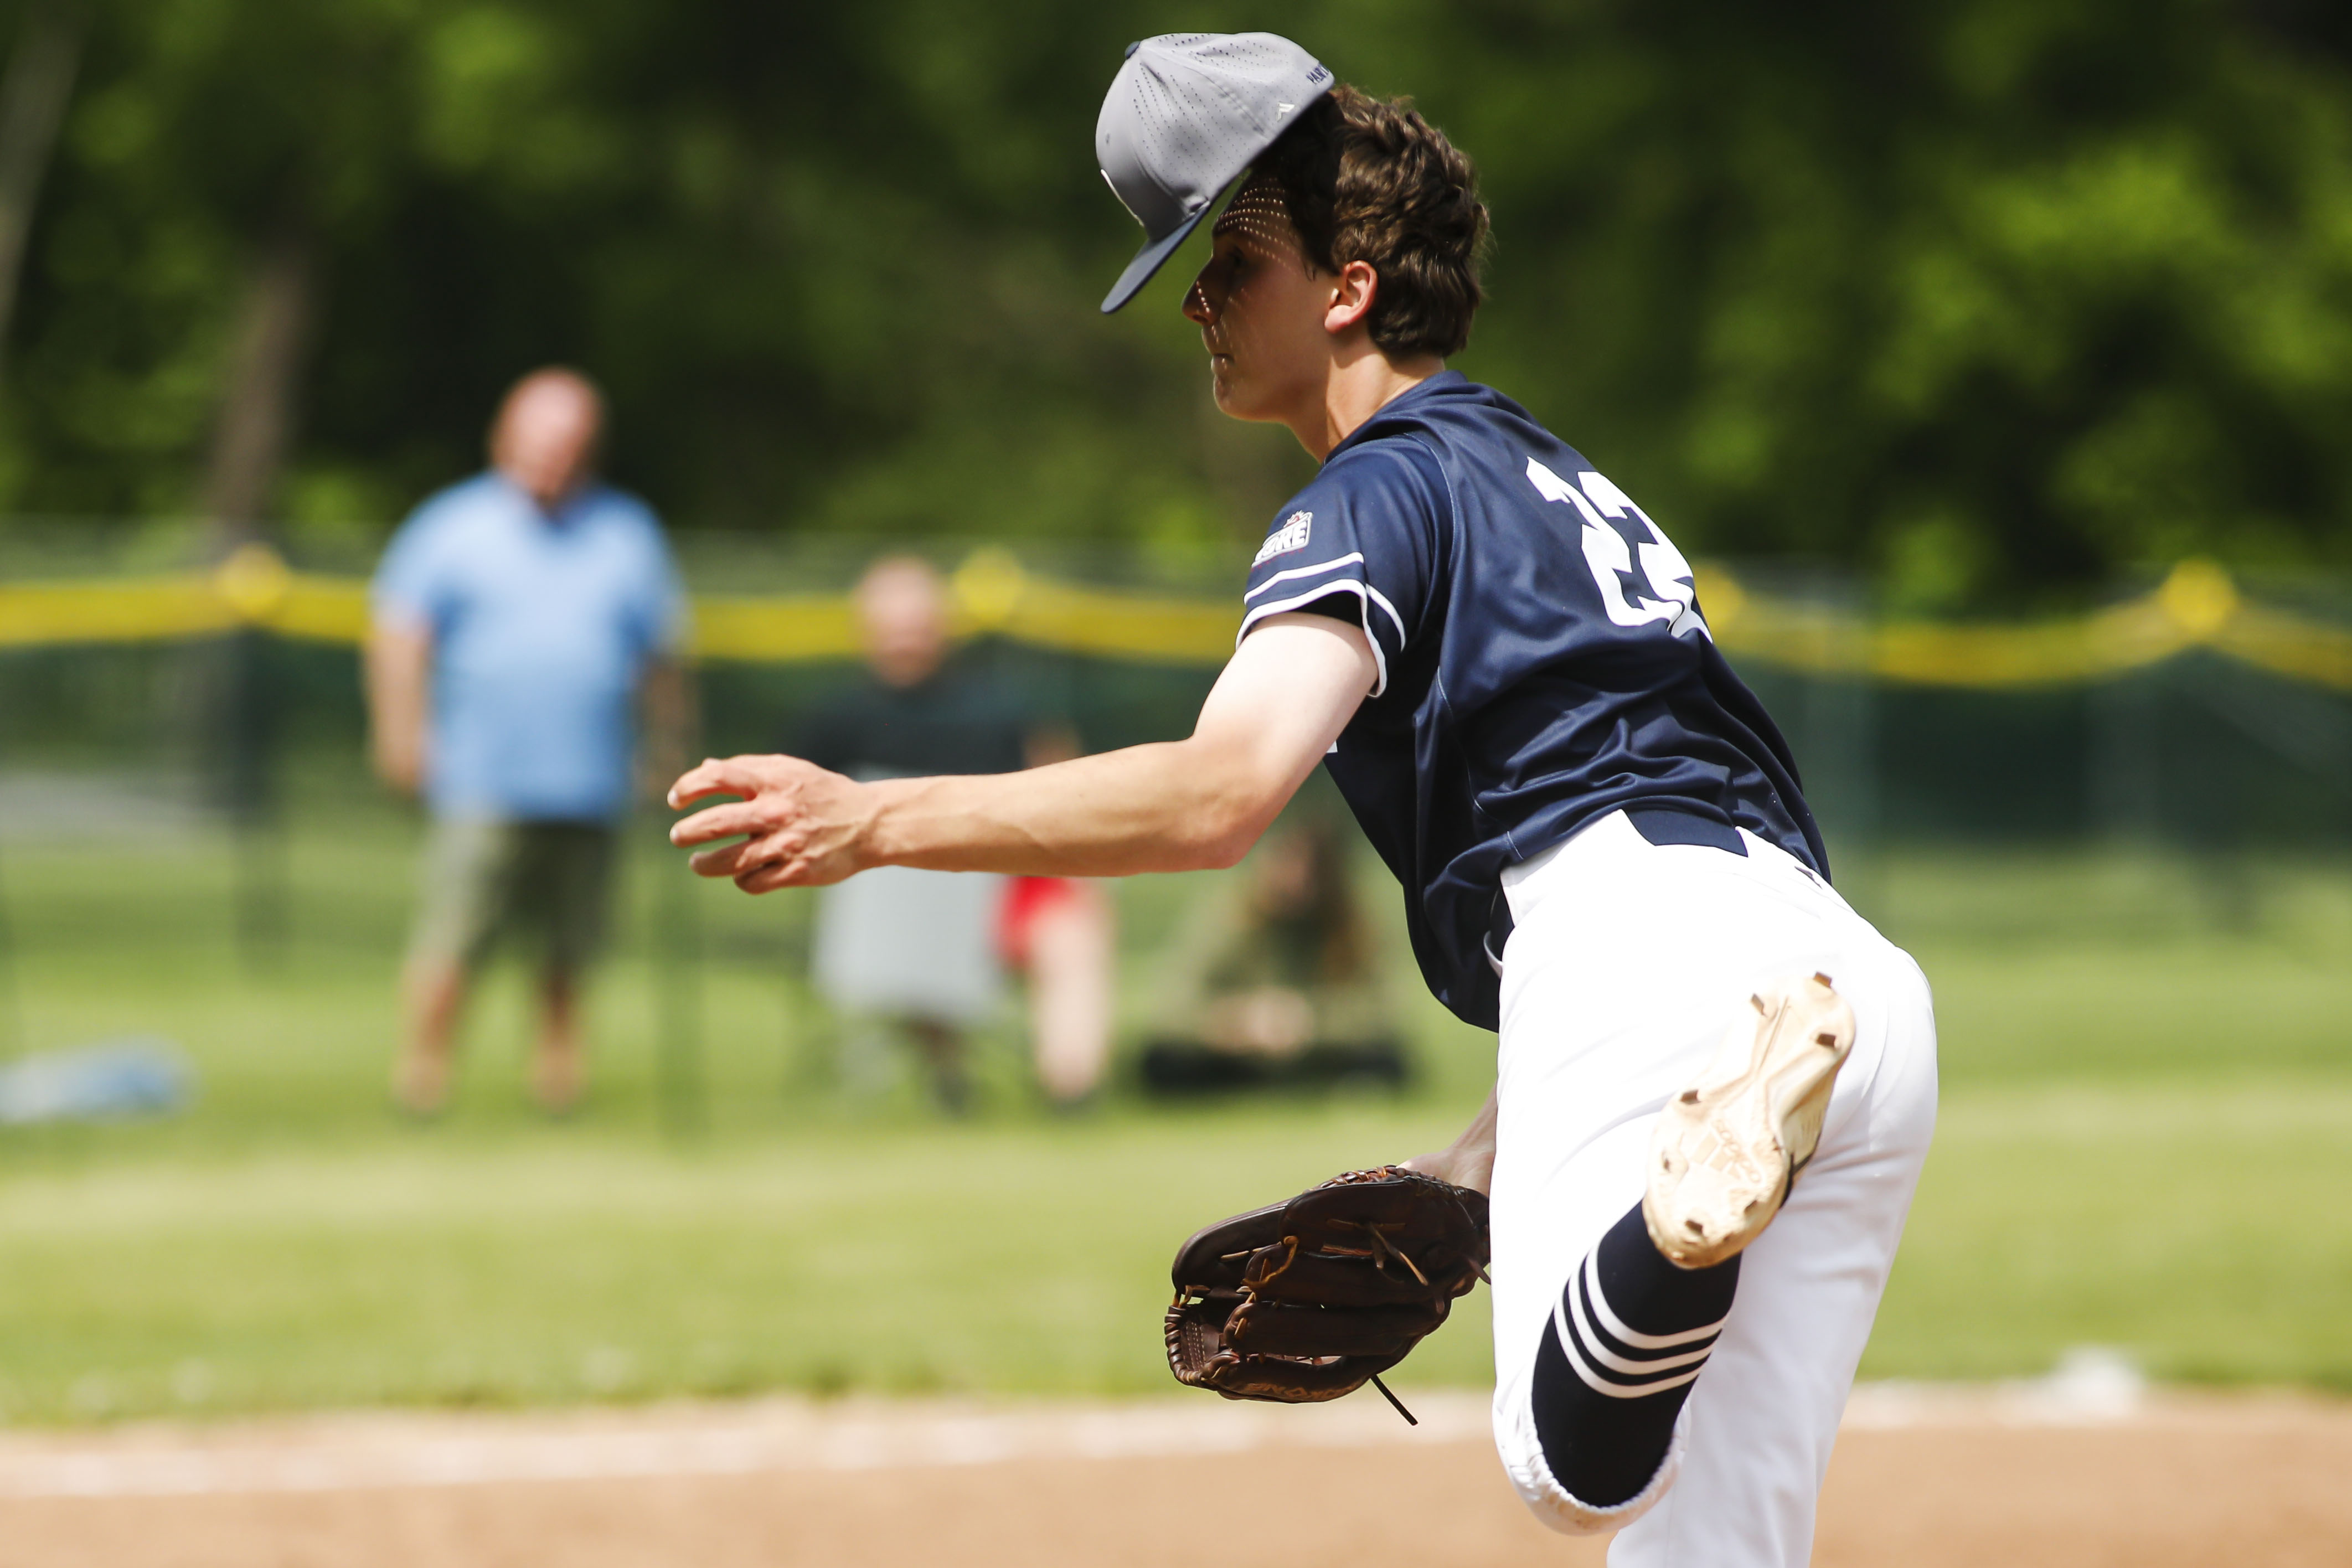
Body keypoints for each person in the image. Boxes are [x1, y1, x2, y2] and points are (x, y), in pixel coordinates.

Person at [668, 35, 1934, 1568]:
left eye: (1231, 264)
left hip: (1640, 955)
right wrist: (1477, 1164)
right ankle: (1673, 1224)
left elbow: (1219, 794)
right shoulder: (1551, 471)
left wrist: (875, 822)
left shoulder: (1375, 484)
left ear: (1346, 287)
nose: (1198, 306)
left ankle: (1668, 1235)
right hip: (1840, 990)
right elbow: (1681, 875)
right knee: (1718, 1546)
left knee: (1570, 1471)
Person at [368, 368, 688, 1116]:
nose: (552, 458)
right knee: (455, 936)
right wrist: (402, 734)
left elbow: (661, 654)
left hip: (591, 778)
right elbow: (398, 638)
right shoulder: (450, 526)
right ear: (504, 439)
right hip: (481, 777)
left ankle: (558, 1082)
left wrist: (668, 748)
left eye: (568, 445)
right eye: (538, 442)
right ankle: (421, 1079)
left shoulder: (626, 531)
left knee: (571, 950)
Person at [796, 555, 1112, 1111]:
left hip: (1001, 888)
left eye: (916, 627)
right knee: (910, 901)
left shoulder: (1000, 709)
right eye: (893, 629)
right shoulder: (834, 722)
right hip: (888, 901)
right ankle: (950, 1076)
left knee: (1073, 924)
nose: (906, 643)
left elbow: (1067, 788)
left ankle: (1070, 1088)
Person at [1138, 818, 1406, 1095]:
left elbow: (1380, 1011)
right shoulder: (1229, 919)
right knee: (1162, 1062)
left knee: (1386, 1060)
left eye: (1305, 871)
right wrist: (1236, 1020)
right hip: (1235, 1050)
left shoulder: (1351, 927)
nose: (1291, 880)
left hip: (1319, 1049)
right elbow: (1175, 1005)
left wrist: (1308, 1020)